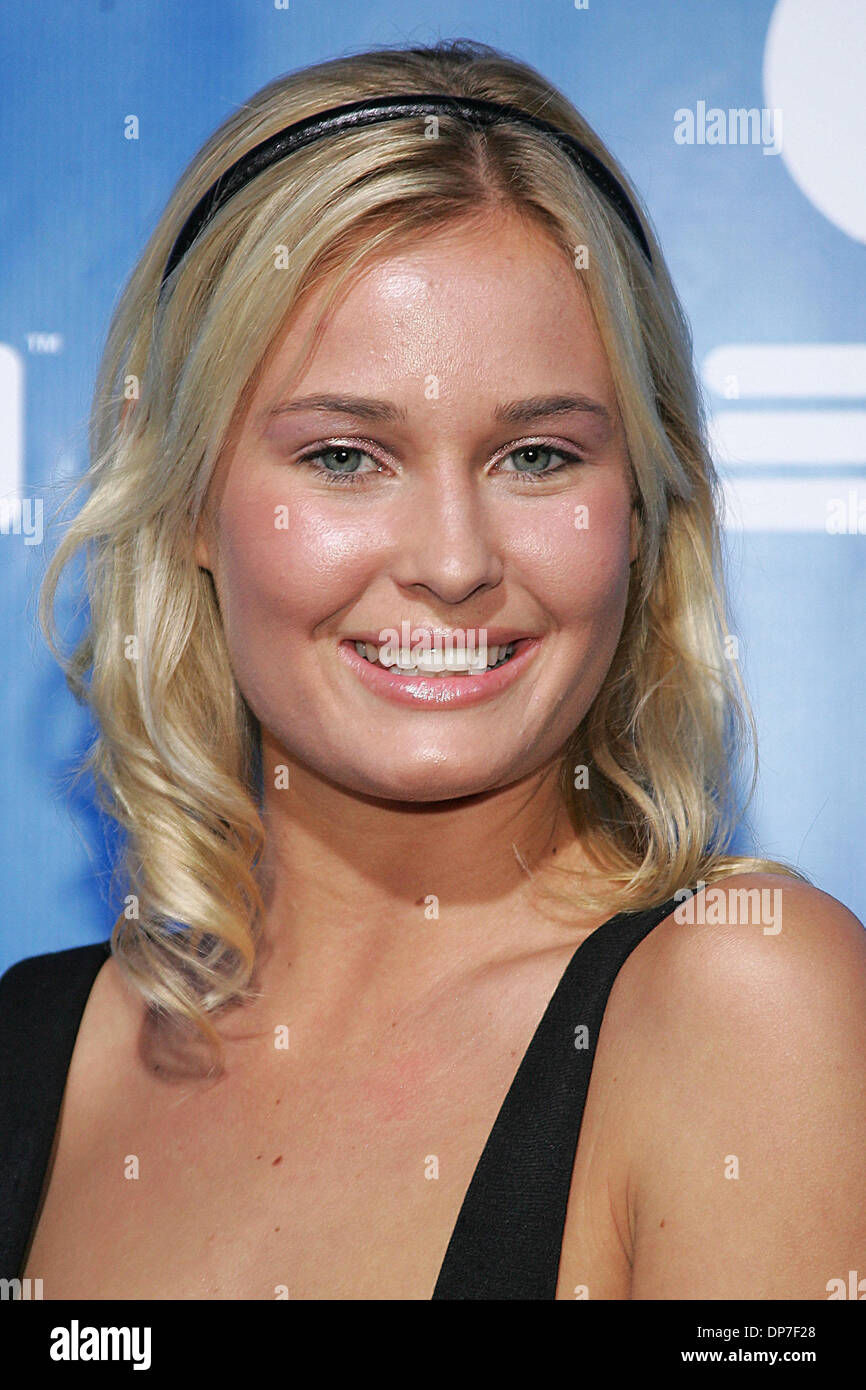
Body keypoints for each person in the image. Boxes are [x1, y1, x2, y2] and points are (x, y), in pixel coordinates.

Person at [2, 39, 864, 1301]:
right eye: (346, 456)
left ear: (639, 504)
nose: (454, 562)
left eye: (537, 457)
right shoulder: (33, 1050)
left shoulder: (745, 1006)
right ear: (190, 501)